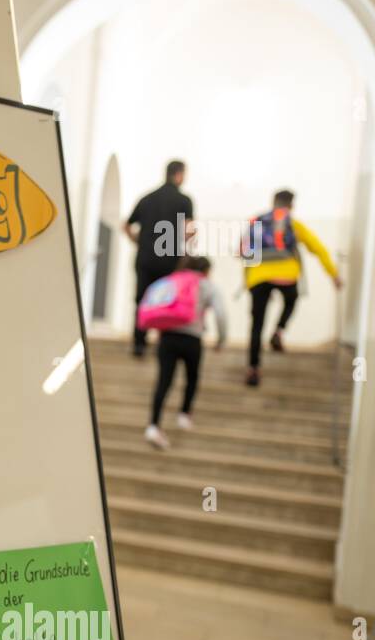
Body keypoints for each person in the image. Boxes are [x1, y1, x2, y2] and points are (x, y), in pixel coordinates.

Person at [241, 190, 342, 387]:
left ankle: (253, 369)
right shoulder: (294, 225)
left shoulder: (256, 222)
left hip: (258, 277)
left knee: (257, 324)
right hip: (286, 276)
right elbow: (318, 249)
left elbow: (246, 252)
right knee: (291, 299)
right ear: (291, 205)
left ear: (273, 202)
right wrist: (334, 275)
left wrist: (251, 282)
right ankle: (279, 331)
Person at [144, 256, 227, 451]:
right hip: (192, 338)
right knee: (192, 377)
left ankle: (153, 426)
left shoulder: (172, 280)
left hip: (167, 337)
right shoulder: (207, 285)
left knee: (164, 381)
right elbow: (221, 313)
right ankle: (184, 415)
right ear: (206, 270)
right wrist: (221, 339)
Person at [126, 160, 196, 358]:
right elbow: (189, 230)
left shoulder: (147, 198)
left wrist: (137, 241)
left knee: (142, 298)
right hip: (169, 259)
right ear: (179, 174)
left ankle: (139, 343)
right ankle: (164, 343)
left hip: (145, 257)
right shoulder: (184, 200)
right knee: (167, 301)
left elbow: (127, 225)